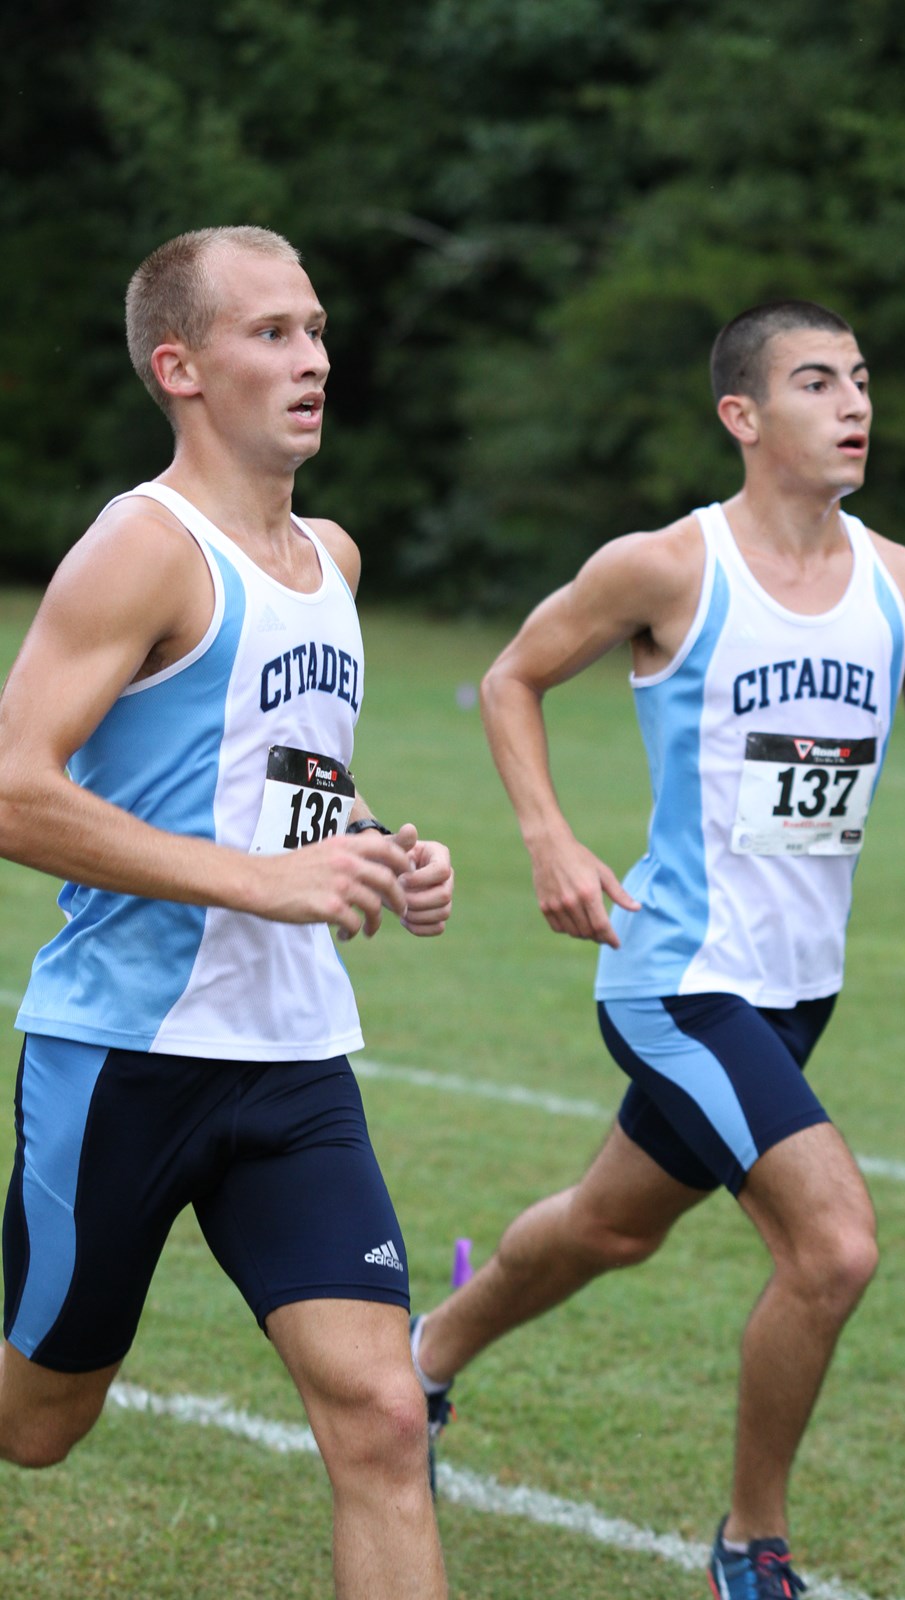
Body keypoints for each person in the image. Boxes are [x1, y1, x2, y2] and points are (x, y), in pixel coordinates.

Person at [408, 300, 905, 1598]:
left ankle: (423, 1360)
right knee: (834, 1247)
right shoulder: (668, 568)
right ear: (743, 415)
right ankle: (751, 1547)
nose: (854, 402)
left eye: (861, 377)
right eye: (817, 381)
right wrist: (550, 841)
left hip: (802, 991)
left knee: (605, 1231)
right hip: (679, 980)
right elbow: (515, 675)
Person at [0, 226, 452, 1600]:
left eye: (316, 330)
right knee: (36, 1426)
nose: (313, 358)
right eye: (272, 334)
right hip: (126, 1055)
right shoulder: (142, 549)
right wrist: (264, 882)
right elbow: (15, 790)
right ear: (180, 366)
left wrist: (370, 848)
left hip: (296, 1064)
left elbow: (278, 782)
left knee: (382, 1416)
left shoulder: (335, 557)